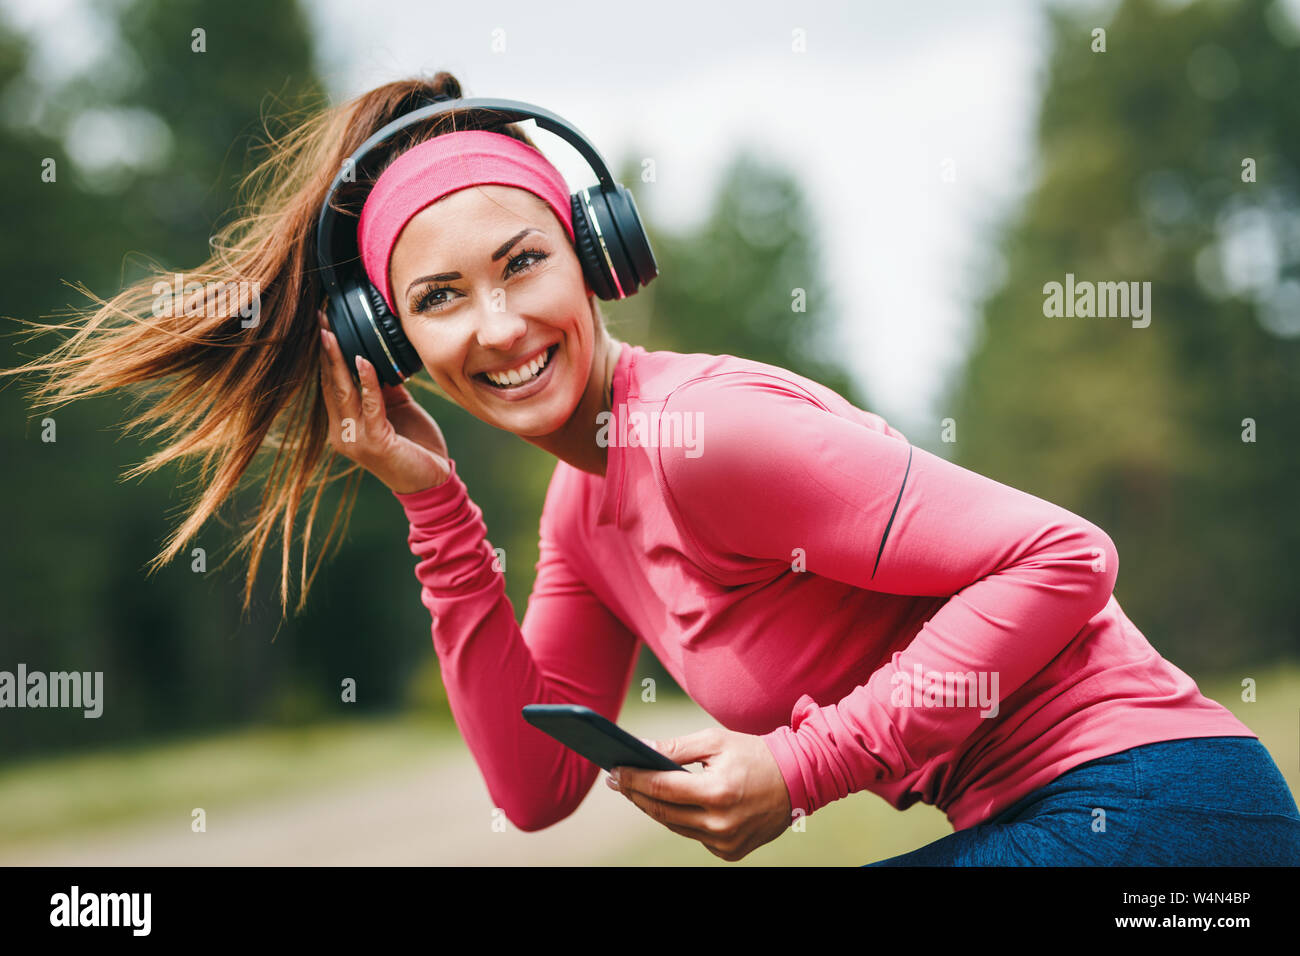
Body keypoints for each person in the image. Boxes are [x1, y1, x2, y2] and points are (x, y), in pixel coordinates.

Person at [10, 71, 1299, 865]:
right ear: (392, 340)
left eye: (523, 262)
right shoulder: (583, 509)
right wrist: (433, 503)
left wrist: (803, 768)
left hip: (1162, 812)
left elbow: (1068, 556)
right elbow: (535, 791)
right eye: (441, 297)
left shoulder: (712, 435)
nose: (500, 325)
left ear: (595, 254)